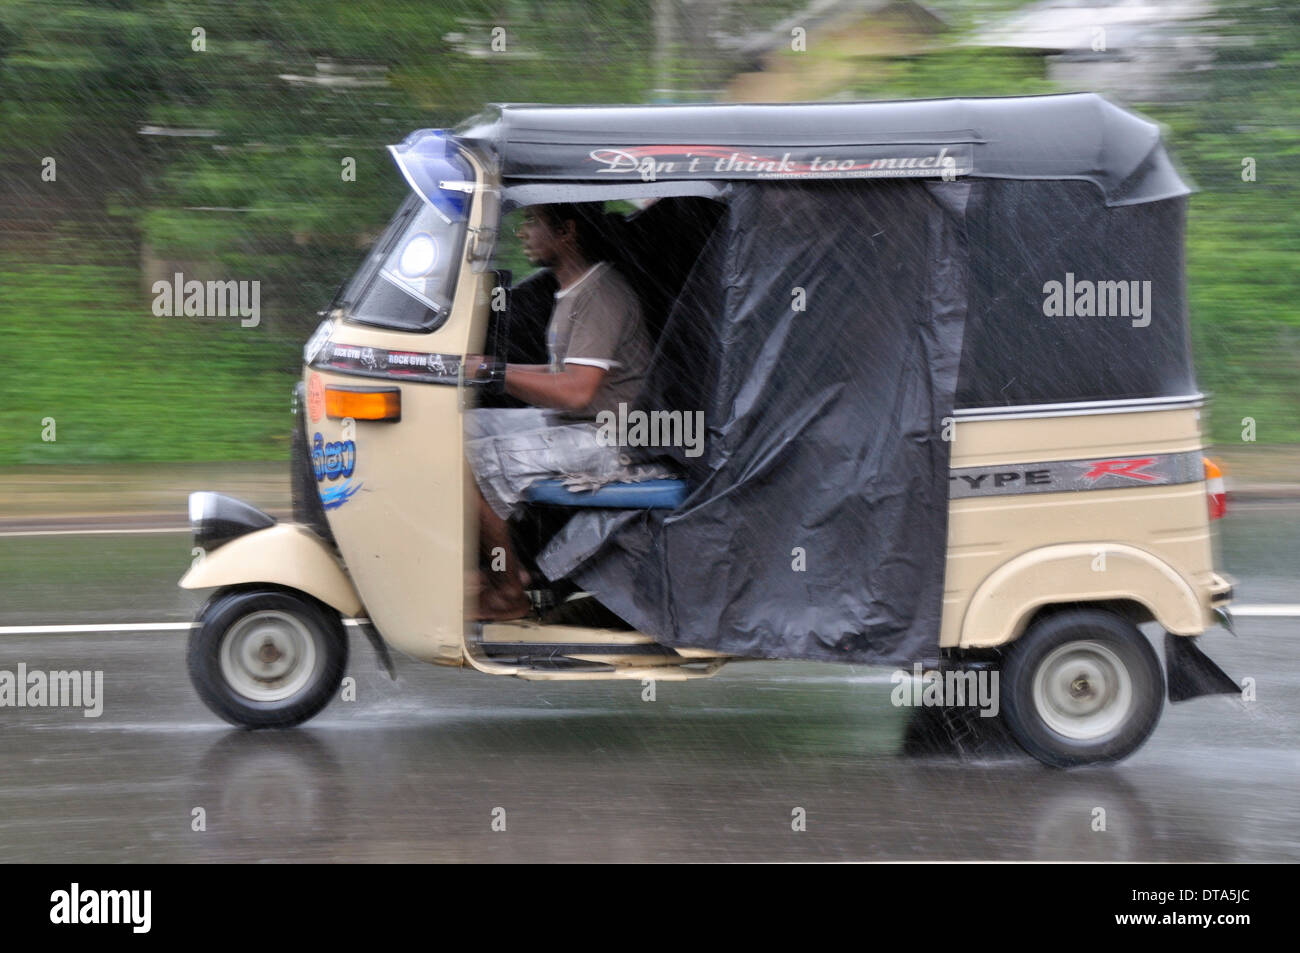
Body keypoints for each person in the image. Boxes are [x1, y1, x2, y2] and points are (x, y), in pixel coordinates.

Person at [464, 203, 664, 620]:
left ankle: (507, 590)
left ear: (566, 231)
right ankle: (488, 567)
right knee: (453, 430)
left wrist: (494, 371)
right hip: (581, 425)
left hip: (613, 438)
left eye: (533, 222)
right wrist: (483, 369)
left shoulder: (601, 294)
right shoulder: (574, 289)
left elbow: (575, 392)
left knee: (464, 460)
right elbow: (563, 372)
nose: (524, 233)